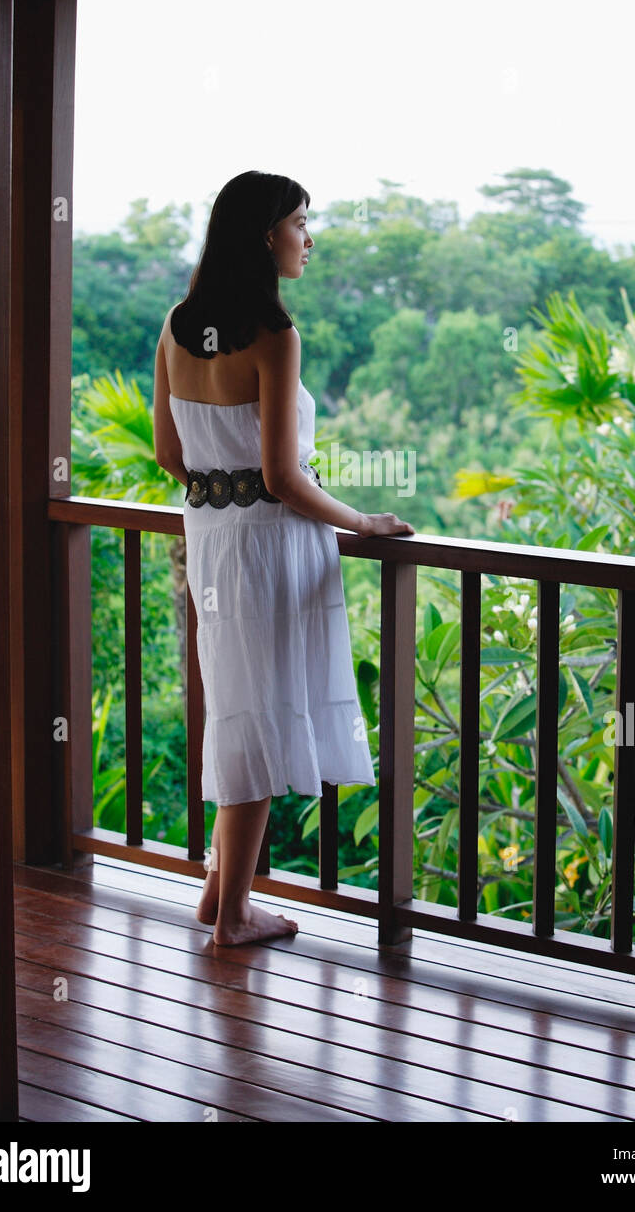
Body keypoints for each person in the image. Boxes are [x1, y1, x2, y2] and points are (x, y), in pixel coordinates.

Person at [153, 170, 415, 947]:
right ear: (266, 234)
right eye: (302, 222)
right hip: (269, 543)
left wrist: (220, 490)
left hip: (211, 536)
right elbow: (282, 476)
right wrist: (361, 517)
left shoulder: (176, 324)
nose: (309, 237)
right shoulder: (274, 332)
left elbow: (172, 455)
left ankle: (215, 893)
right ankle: (233, 916)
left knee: (240, 702)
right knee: (259, 715)